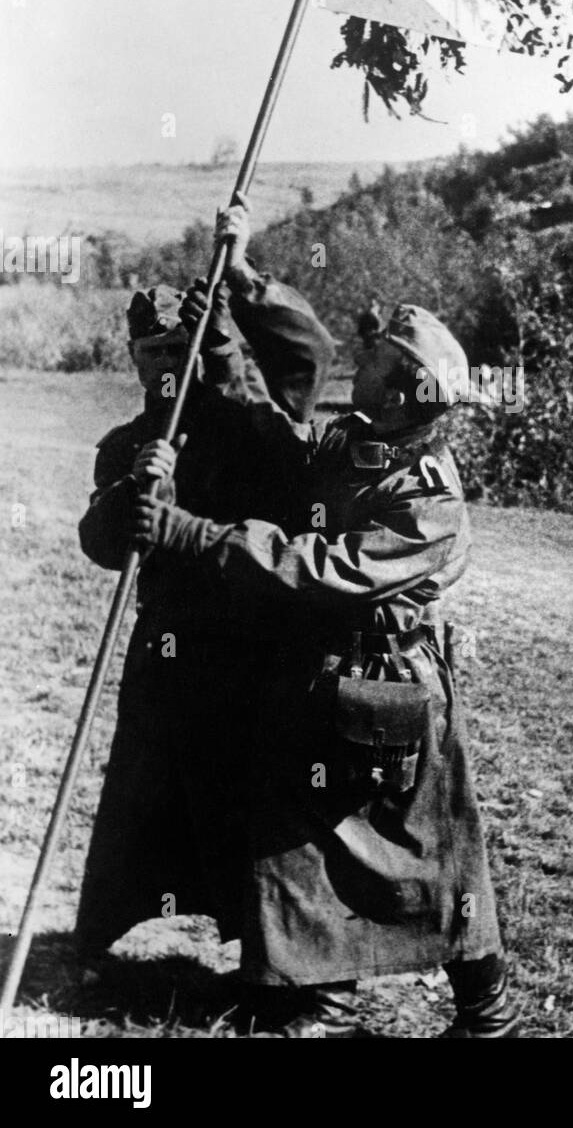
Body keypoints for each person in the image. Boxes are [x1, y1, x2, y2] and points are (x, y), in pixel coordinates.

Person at [132, 304, 519, 1038]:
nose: (359, 359)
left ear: (403, 389)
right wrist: (220, 332)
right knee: (304, 838)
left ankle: (487, 1011)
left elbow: (315, 568)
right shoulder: (355, 443)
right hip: (329, 673)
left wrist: (192, 533)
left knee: (433, 855)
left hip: (395, 684)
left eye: (375, 356)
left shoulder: (426, 495)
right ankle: (327, 1001)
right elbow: (275, 432)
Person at [74, 209, 334, 971]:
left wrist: (233, 310)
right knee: (141, 792)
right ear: (131, 356)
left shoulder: (249, 424)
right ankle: (97, 943)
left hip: (249, 644)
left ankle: (266, 953)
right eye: (150, 351)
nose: (164, 365)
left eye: (177, 348)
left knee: (248, 800)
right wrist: (131, 494)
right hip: (166, 645)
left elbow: (307, 354)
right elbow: (98, 541)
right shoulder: (127, 445)